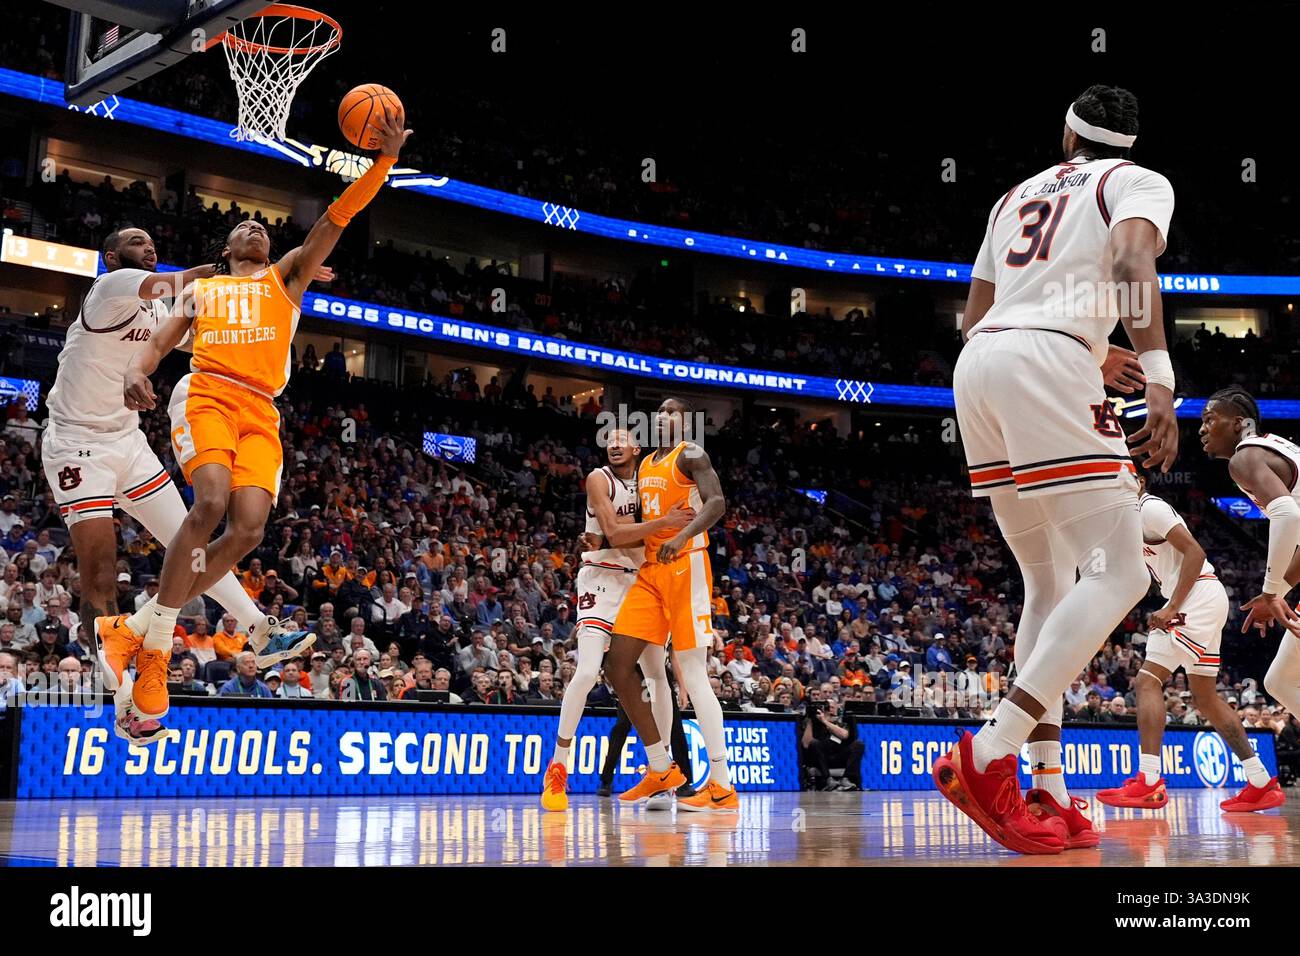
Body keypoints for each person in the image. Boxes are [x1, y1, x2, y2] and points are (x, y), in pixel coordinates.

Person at [937, 85, 1176, 855]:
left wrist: (1088, 340)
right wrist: (1159, 373)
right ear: (1128, 143)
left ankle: (1046, 786)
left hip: (979, 364)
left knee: (1048, 584)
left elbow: (974, 316)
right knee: (1122, 576)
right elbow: (1134, 256)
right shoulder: (1135, 182)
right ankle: (987, 754)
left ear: (1066, 135)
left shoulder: (1012, 196)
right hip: (1046, 364)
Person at [119, 106, 412, 732]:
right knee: (210, 504)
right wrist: (137, 370)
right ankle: (159, 639)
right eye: (243, 224)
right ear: (227, 248)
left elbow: (338, 214)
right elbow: (165, 338)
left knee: (249, 529)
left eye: (263, 224)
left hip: (261, 410)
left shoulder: (286, 278)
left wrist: (383, 163)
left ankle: (142, 622)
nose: (254, 226)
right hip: (208, 392)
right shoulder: (206, 289)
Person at [42, 226, 308, 747]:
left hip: (128, 442)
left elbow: (223, 324)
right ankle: (124, 703)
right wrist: (227, 269)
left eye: (152, 242)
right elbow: (184, 282)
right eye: (137, 241)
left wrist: (267, 287)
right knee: (100, 575)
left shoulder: (163, 313)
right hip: (75, 444)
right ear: (114, 256)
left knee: (191, 541)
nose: (149, 246)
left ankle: (256, 624)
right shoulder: (111, 287)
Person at [1098, 473, 1278, 810]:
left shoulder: (1149, 508)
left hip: (1196, 596)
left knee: (1148, 680)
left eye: (1118, 479)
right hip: (1201, 597)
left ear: (1136, 480)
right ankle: (1260, 781)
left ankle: (1149, 781)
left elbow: (1195, 552)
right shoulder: (1129, 520)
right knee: (1206, 699)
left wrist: (1172, 606)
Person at [541, 429, 694, 811]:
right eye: (608, 438)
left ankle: (662, 774)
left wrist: (666, 526)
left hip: (640, 580)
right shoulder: (599, 478)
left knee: (657, 675)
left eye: (622, 438)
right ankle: (558, 768)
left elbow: (644, 536)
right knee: (589, 669)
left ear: (637, 449)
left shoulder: (648, 483)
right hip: (601, 578)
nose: (613, 443)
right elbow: (612, 532)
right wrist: (661, 525)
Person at [606, 398, 737, 811]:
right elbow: (649, 519)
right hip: (650, 570)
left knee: (693, 675)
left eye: (672, 412)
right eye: (659, 412)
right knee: (616, 664)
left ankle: (720, 784)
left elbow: (717, 502)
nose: (663, 416)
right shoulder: (645, 465)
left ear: (686, 421)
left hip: (688, 567)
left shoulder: (692, 454)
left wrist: (682, 537)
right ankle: (661, 766)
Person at [1200, 386, 1300, 809]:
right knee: (1279, 681)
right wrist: (1278, 593)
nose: (1202, 428)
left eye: (1210, 418)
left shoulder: (1245, 456)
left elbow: (1288, 516)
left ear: (1240, 423)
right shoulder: (1275, 452)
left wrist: (1272, 590)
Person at [801, 689, 865, 791]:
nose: (829, 710)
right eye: (827, 708)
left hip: (838, 755)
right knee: (814, 743)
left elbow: (844, 735)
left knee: (858, 744)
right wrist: (811, 721)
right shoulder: (813, 723)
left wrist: (825, 722)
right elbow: (806, 744)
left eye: (832, 707)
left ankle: (846, 778)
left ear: (836, 709)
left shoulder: (839, 722)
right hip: (820, 758)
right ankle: (828, 780)